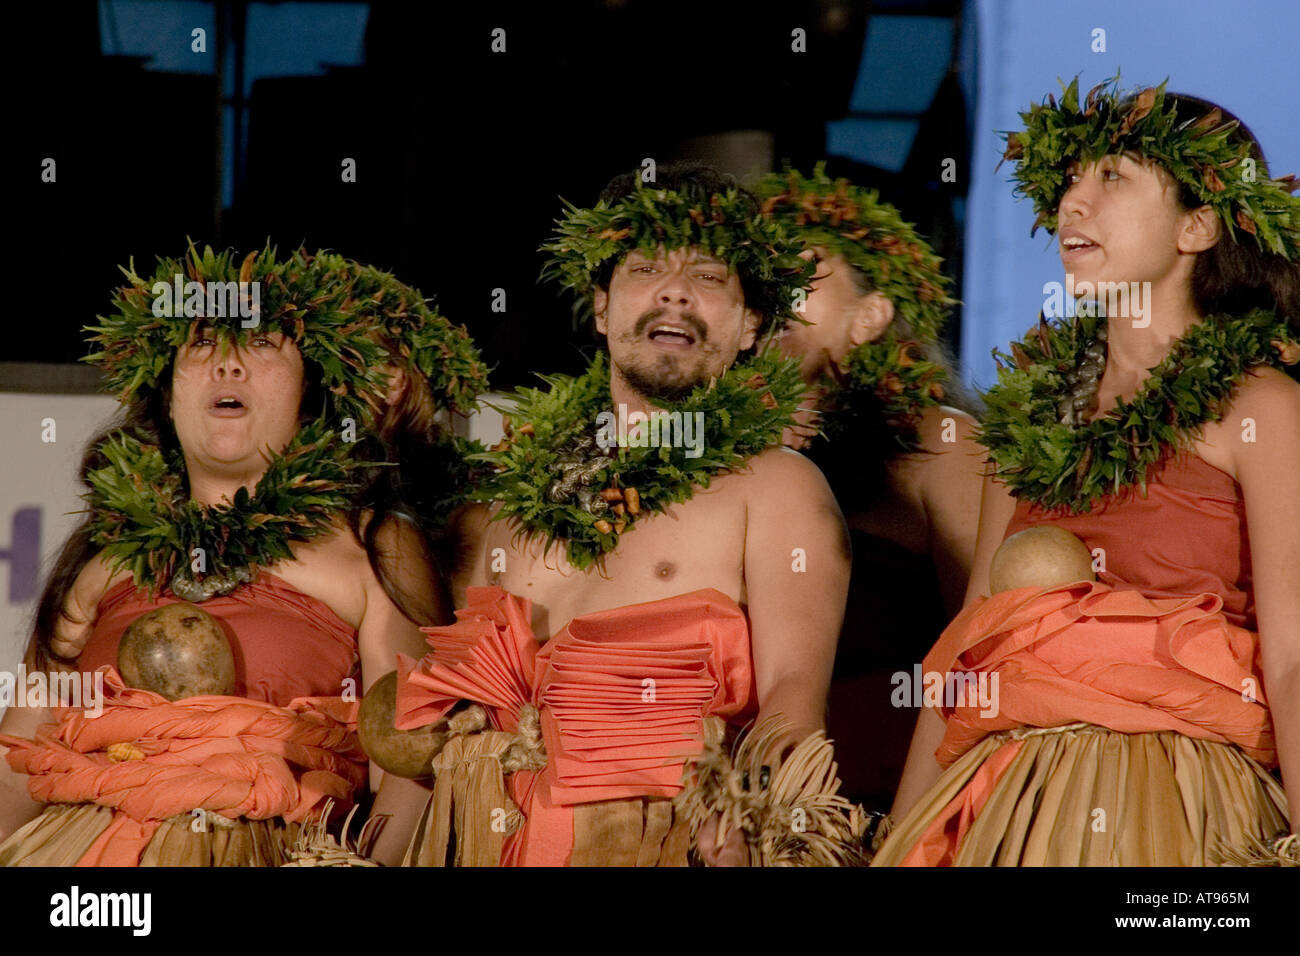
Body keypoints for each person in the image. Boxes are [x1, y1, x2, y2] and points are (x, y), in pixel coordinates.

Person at [874, 79, 1300, 865]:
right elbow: (972, 646)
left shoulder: (1261, 406)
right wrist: (899, 843)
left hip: (1175, 798)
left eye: (1112, 177)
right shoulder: (1032, 417)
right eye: (1070, 181)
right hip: (1007, 802)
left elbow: (1295, 650)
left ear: (1198, 226)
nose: (1072, 202)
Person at [393, 162, 857, 866]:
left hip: (663, 843)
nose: (674, 290)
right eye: (645, 267)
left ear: (749, 327)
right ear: (603, 307)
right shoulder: (511, 505)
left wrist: (757, 824)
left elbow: (794, 698)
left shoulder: (777, 487)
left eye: (706, 276)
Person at [0, 244, 487, 866]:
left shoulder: (373, 546)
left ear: (310, 388)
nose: (227, 365)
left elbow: (411, 754)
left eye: (262, 345)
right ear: (167, 392)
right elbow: (18, 758)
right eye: (200, 344)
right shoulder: (102, 556)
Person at [754, 166, 985, 810]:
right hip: (741, 811)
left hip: (898, 802)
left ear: (872, 315)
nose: (774, 293)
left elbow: (989, 645)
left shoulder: (941, 445)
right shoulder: (723, 457)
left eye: (800, 274)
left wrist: (915, 829)